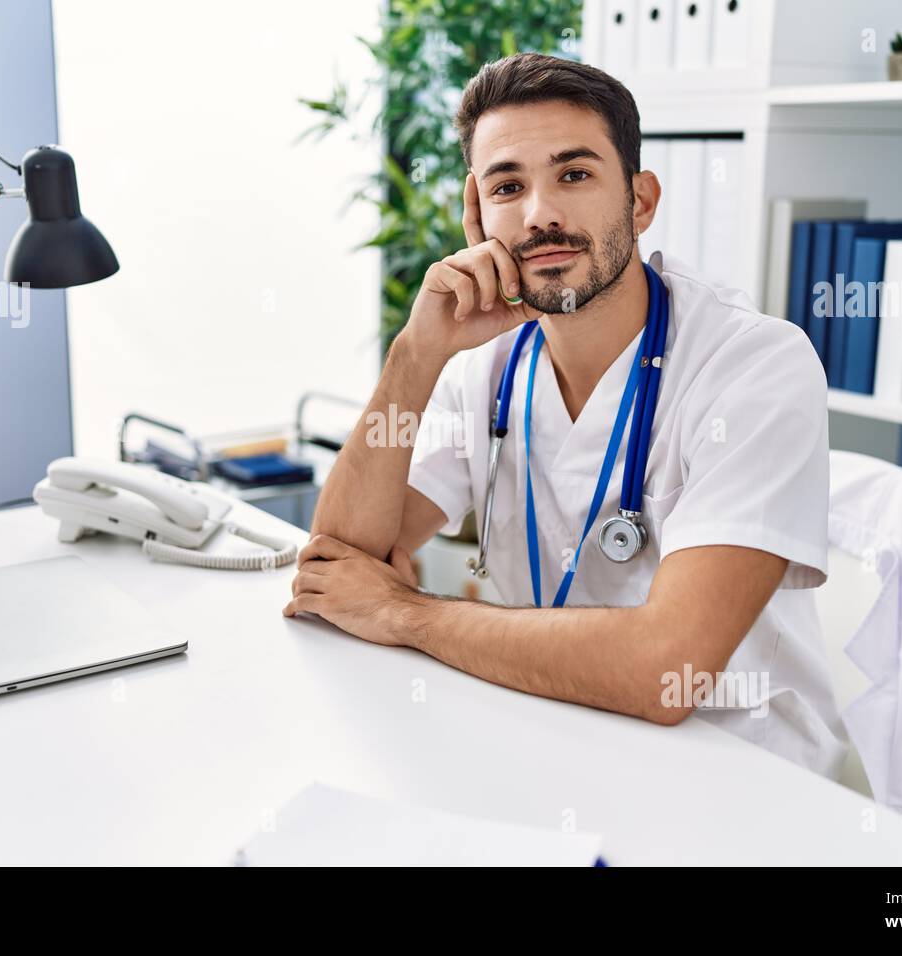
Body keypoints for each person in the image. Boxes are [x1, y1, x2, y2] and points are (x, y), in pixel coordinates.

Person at [282, 52, 844, 778]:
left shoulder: (756, 367)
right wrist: (415, 354)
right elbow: (338, 568)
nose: (541, 213)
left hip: (736, 771)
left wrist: (407, 613)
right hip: (546, 731)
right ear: (475, 214)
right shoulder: (482, 364)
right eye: (508, 186)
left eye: (574, 174)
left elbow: (664, 670)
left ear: (639, 201)